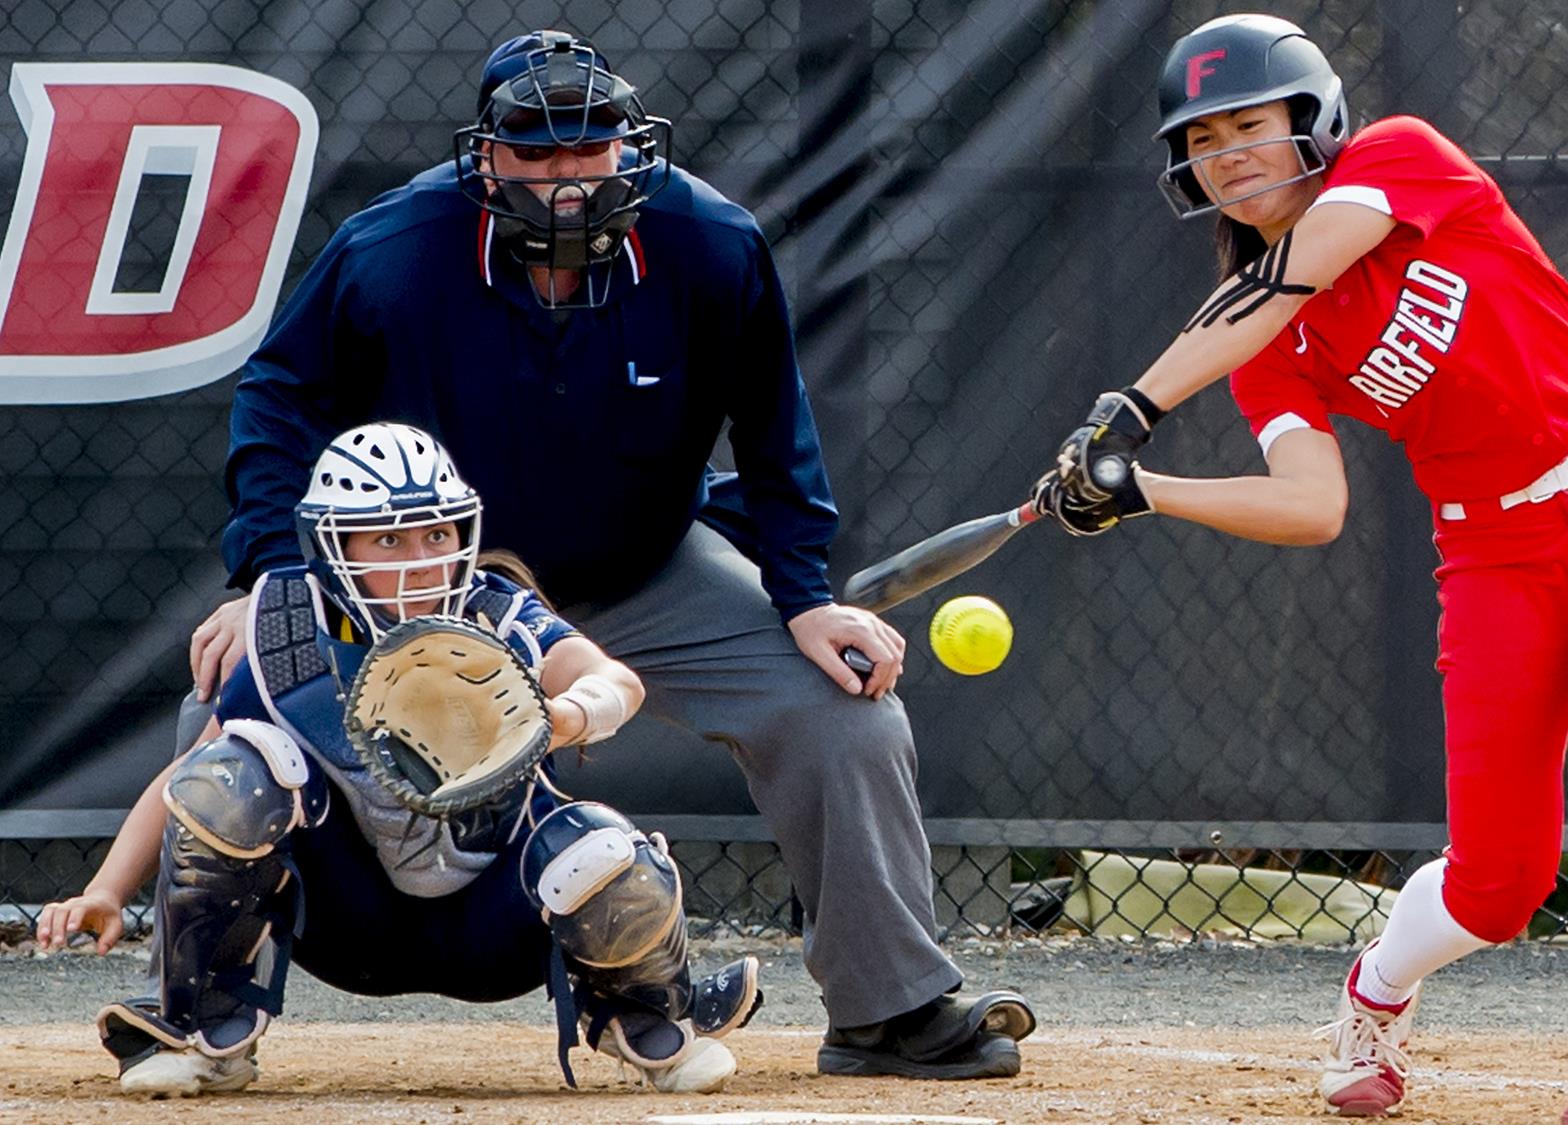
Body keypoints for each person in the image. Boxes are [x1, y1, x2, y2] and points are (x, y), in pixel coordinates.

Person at [184, 30, 1033, 1080]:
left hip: (649, 567)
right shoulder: (391, 250)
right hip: (434, 588)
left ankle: (888, 1011)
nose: (564, 175)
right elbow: (278, 395)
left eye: (589, 147)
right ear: (484, 156)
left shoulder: (709, 241)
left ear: (632, 146)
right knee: (232, 692)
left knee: (839, 712)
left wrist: (804, 596)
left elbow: (776, 427)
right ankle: (193, 1007)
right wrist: (266, 576)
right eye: (534, 151)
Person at [1035, 14, 1568, 1125]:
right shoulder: (1258, 340)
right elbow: (1312, 507)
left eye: (1248, 125)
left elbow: (1292, 275)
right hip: (1487, 553)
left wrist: (1130, 409)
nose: (1224, 154)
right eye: (1201, 139)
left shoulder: (1396, 162)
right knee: (1495, 886)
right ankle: (1374, 990)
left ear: (1313, 125)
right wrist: (1147, 489)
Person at [38, 424, 760, 1097]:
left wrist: (567, 714)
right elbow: (183, 778)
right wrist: (106, 888)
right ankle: (206, 1026)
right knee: (230, 776)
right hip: (345, 922)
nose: (422, 558)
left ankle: (652, 1016)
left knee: (599, 848)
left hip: (495, 921)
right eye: (388, 538)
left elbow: (616, 680)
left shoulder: (493, 611)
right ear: (333, 547)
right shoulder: (290, 626)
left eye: (436, 531)